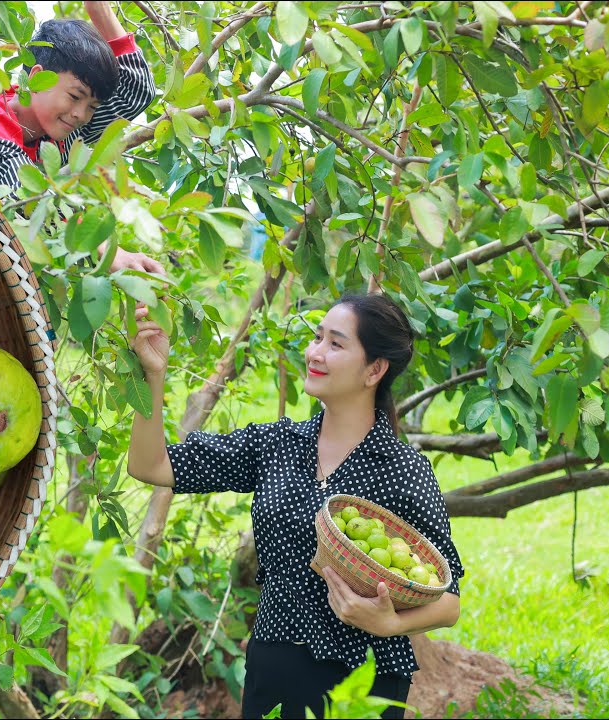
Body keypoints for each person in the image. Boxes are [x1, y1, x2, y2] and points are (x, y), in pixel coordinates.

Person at [126, 293, 465, 720]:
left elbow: (448, 600)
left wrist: (391, 624)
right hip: (274, 669)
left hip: (362, 679)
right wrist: (152, 373)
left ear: (375, 370)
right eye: (317, 337)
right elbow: (150, 463)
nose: (315, 352)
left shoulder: (402, 469)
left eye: (336, 344)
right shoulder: (277, 444)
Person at [0, 1, 162, 275]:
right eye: (75, 96)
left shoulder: (57, 128)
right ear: (38, 77)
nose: (81, 114)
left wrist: (100, 10)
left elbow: (137, 90)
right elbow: (37, 206)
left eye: (92, 106)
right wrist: (107, 248)